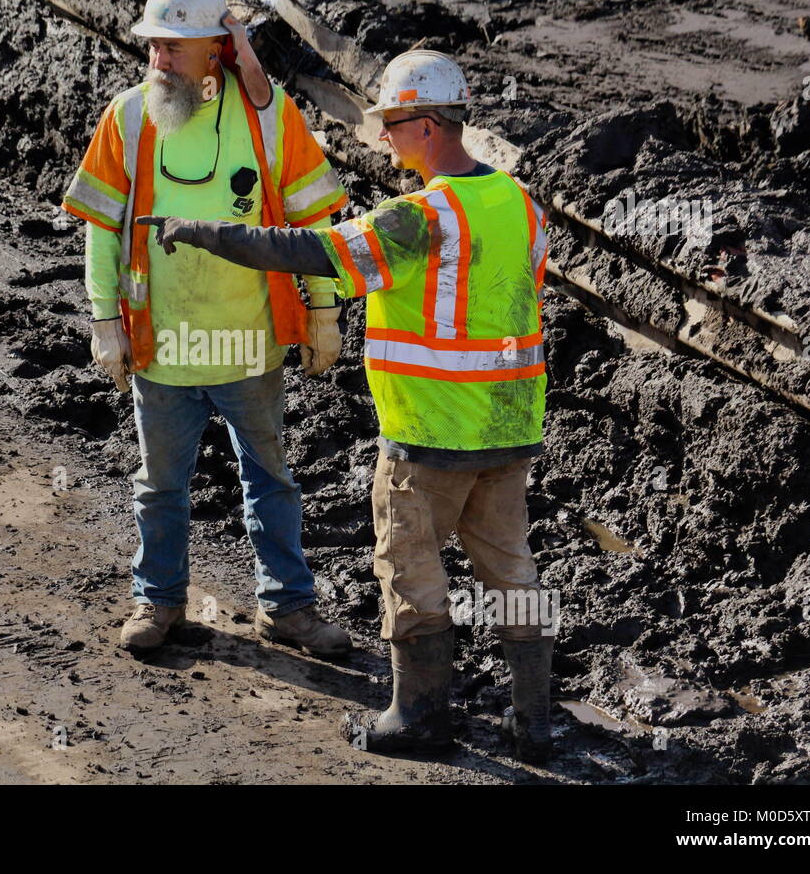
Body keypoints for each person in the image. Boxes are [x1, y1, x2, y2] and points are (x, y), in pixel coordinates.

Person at [137, 50, 556, 764]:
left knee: (412, 572)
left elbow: (312, 250)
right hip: (509, 429)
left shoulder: (423, 217)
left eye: (391, 125)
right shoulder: (519, 204)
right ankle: (535, 723)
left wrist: (202, 230)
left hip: (429, 436)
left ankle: (417, 719)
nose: (384, 140)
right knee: (513, 572)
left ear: (426, 124)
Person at [61, 0, 354, 657]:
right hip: (161, 345)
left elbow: (314, 221)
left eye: (172, 47)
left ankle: (286, 607)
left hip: (249, 345)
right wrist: (106, 323)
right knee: (159, 486)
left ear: (218, 47)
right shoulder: (129, 117)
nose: (158, 60)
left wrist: (322, 315)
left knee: (271, 481)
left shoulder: (269, 117)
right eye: (154, 46)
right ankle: (158, 601)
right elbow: (102, 229)